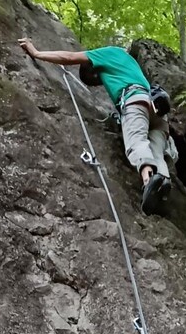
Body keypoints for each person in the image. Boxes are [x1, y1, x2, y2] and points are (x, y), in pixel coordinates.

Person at [18, 37, 173, 214]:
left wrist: (36, 53)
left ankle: (149, 181)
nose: (99, 80)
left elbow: (69, 57)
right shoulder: (129, 62)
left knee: (136, 142)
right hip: (158, 112)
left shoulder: (106, 53)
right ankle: (164, 182)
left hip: (135, 102)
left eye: (96, 76)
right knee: (157, 153)